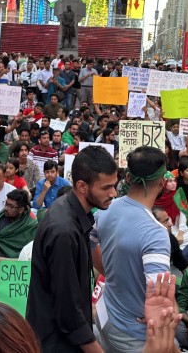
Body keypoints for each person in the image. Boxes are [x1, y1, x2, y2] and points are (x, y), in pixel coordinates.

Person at [27, 145, 117, 353]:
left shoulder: (73, 213)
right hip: (56, 343)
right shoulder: (64, 232)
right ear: (82, 186)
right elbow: (68, 313)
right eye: (106, 188)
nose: (113, 193)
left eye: (114, 185)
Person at [91, 146, 170, 351]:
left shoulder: (106, 209)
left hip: (105, 313)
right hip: (132, 332)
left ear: (127, 177)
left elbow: (89, 243)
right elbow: (158, 293)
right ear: (162, 182)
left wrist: (111, 273)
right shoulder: (156, 233)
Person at [0, 189, 38, 273]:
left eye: (11, 206)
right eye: (6, 204)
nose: (6, 208)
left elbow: (32, 256)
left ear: (21, 210)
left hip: (20, 264)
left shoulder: (32, 226)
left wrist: (5, 261)